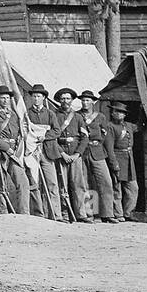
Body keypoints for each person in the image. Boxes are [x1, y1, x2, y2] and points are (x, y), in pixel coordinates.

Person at [52, 88, 91, 222]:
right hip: (60, 153)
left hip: (75, 154)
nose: (65, 101)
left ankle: (81, 214)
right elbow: (51, 138)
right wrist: (62, 153)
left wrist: (77, 154)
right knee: (62, 185)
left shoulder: (78, 117)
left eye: (68, 98)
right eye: (62, 98)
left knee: (78, 185)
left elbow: (85, 138)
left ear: (72, 100)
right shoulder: (54, 115)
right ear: (59, 100)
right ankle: (64, 213)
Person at [0, 85, 29, 214]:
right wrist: (6, 148)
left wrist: (17, 148)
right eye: (2, 98)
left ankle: (24, 212)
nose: (5, 100)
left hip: (15, 152)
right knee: (2, 182)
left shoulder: (14, 115)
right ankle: (3, 211)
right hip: (1, 152)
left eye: (7, 98)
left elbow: (19, 133)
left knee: (23, 182)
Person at [80, 90, 118, 223]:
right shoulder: (77, 115)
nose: (85, 103)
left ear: (93, 102)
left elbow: (105, 135)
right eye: (83, 100)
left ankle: (107, 214)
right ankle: (90, 213)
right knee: (86, 183)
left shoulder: (100, 117)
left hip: (97, 152)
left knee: (105, 182)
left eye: (88, 100)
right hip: (82, 151)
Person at [26, 84, 61, 219]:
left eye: (38, 96)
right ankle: (38, 214)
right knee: (34, 182)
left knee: (52, 183)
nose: (36, 99)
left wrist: (45, 137)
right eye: (34, 96)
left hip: (47, 152)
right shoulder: (27, 114)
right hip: (32, 152)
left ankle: (56, 214)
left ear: (44, 98)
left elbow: (57, 131)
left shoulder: (50, 113)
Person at [109, 101, 139, 223]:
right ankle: (118, 214)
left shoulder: (129, 126)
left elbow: (141, 125)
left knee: (133, 188)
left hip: (129, 160)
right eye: (116, 111)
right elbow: (109, 148)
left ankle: (128, 213)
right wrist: (114, 164)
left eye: (122, 112)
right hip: (117, 158)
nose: (119, 114)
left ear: (125, 115)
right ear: (112, 113)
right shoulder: (110, 126)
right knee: (117, 189)